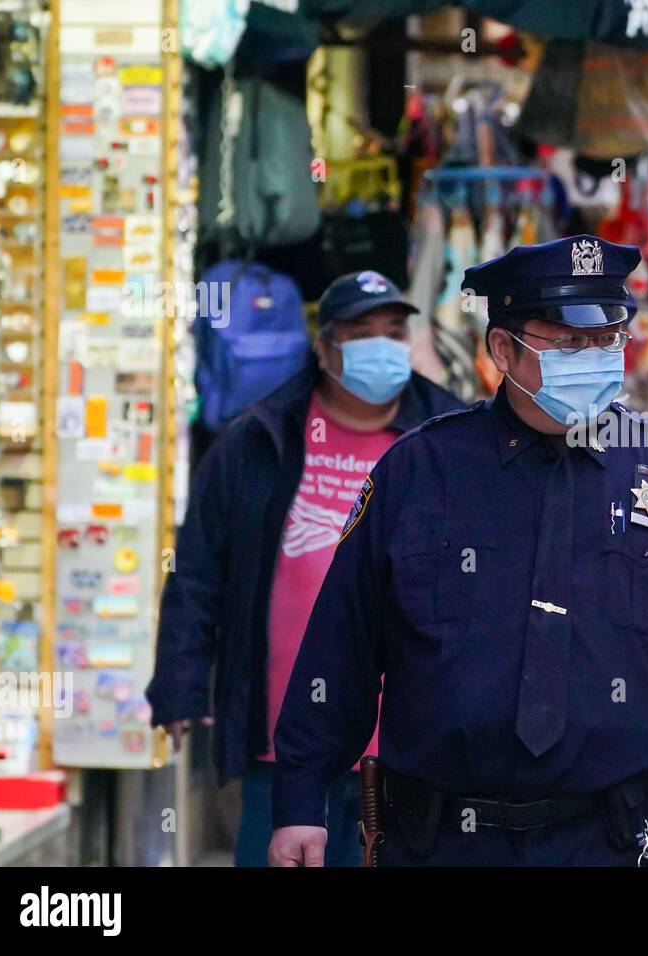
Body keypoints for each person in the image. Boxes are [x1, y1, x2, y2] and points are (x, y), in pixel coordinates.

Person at [266, 234, 648, 867]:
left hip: (614, 838)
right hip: (444, 840)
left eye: (607, 340)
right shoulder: (421, 472)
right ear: (502, 349)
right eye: (568, 342)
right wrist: (299, 803)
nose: (592, 358)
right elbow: (340, 644)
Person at [146, 270, 462, 866]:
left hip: (412, 747)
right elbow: (197, 570)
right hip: (285, 745)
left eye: (394, 331)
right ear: (325, 348)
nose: (382, 345)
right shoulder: (261, 437)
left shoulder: (448, 437)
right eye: (361, 332)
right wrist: (181, 684)